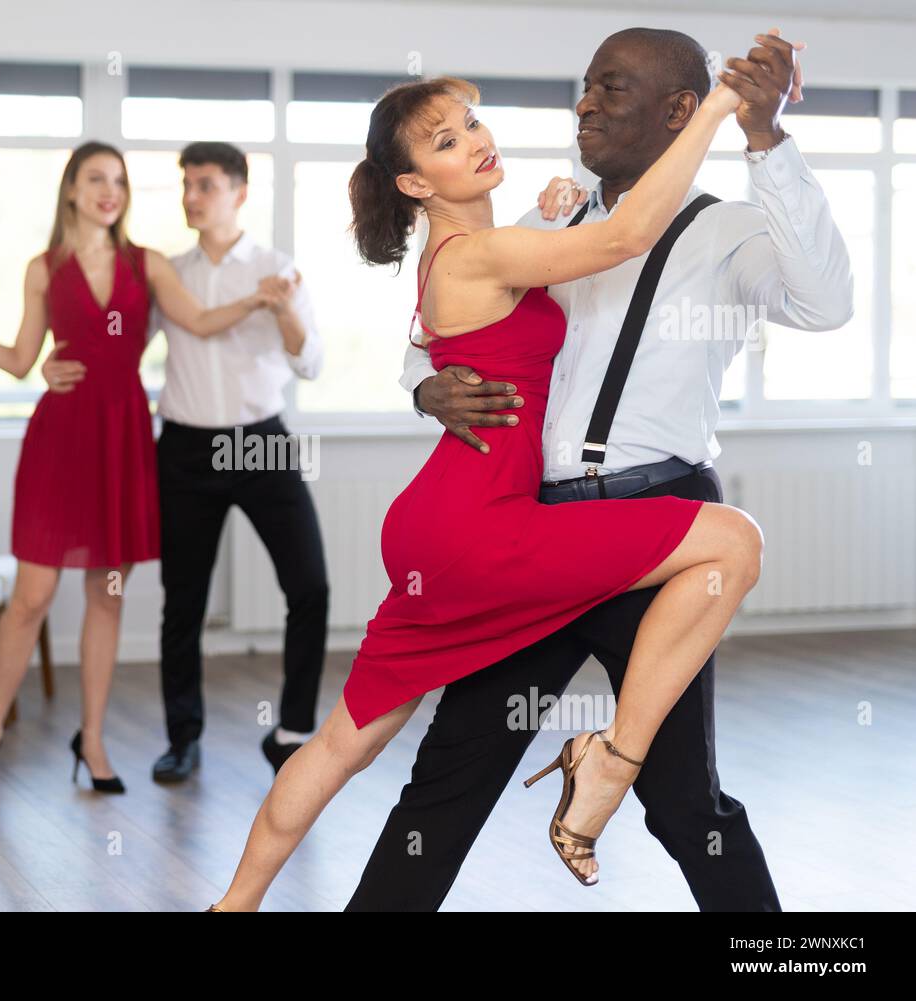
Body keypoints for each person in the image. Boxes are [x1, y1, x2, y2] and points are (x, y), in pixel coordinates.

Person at [206, 55, 765, 911]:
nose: (473, 140)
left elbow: (502, 315)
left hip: (443, 523)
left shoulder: (462, 255)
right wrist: (719, 105)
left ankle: (230, 906)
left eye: (470, 123)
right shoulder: (477, 254)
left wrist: (560, 208)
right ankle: (607, 763)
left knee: (338, 745)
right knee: (731, 538)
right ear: (413, 182)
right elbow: (623, 240)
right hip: (484, 525)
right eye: (444, 140)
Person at [347, 28, 851, 911]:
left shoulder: (730, 230)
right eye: (585, 85)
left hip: (657, 532)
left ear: (679, 112)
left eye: (610, 89)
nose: (585, 103)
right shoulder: (549, 218)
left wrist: (766, 139)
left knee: (685, 800)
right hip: (535, 533)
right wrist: (427, 390)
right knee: (451, 779)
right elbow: (437, 333)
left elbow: (826, 299)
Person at [0, 141, 289, 798]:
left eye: (118, 180)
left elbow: (199, 322)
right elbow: (18, 357)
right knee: (31, 596)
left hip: (121, 439)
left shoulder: (143, 264)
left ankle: (91, 738)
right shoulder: (42, 268)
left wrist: (261, 301)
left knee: (105, 594)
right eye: (96, 178)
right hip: (59, 441)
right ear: (71, 190)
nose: (110, 190)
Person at [150, 142, 329, 783]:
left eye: (204, 185)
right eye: (186, 185)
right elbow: (120, 345)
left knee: (310, 586)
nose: (191, 197)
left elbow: (309, 363)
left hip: (261, 443)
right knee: (183, 603)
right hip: (186, 447)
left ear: (239, 193)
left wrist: (281, 309)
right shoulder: (168, 274)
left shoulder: (279, 269)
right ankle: (183, 738)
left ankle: (292, 731)